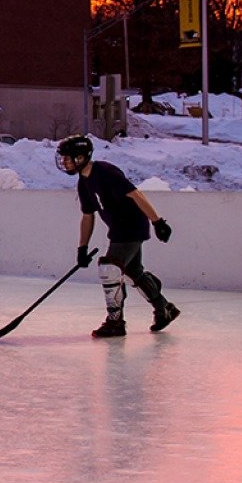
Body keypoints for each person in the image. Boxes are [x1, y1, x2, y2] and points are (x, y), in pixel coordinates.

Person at [56, 134, 178, 338]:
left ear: (80, 157)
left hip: (130, 227)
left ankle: (115, 322)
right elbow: (88, 216)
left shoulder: (105, 172)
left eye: (68, 158)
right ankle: (164, 309)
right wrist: (82, 248)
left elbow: (135, 194)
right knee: (133, 271)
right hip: (119, 230)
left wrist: (158, 222)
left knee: (110, 268)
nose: (64, 162)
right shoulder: (83, 182)